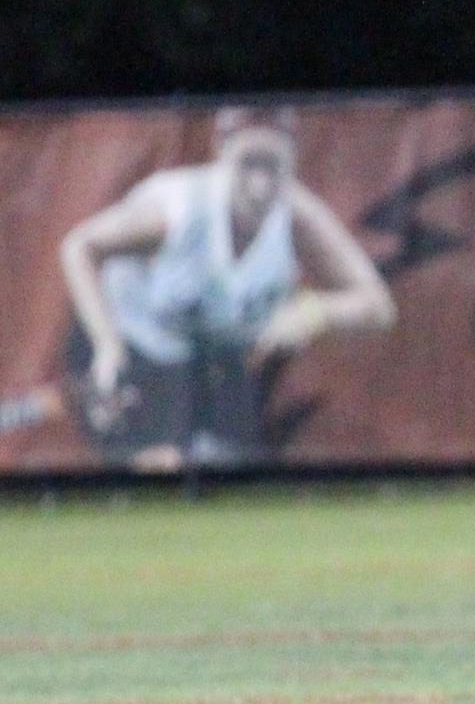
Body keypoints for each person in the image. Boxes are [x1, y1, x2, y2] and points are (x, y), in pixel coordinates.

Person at [58, 107, 396, 469]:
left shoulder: (297, 214)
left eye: (272, 166)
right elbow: (80, 247)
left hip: (213, 362)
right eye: (249, 164)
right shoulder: (179, 210)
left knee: (226, 468)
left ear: (292, 161)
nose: (260, 184)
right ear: (222, 155)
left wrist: (313, 312)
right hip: (133, 352)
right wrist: (107, 346)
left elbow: (377, 305)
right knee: (160, 469)